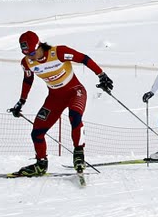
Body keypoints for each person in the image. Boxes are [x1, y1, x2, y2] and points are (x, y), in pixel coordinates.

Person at [8, 30, 113, 177]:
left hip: (75, 91)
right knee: (37, 132)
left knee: (75, 117)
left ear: (39, 46)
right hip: (54, 98)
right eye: (27, 54)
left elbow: (84, 58)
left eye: (32, 53)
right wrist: (21, 102)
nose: (31, 57)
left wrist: (102, 75)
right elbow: (28, 80)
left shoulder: (58, 52)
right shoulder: (27, 62)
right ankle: (41, 164)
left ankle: (78, 154)